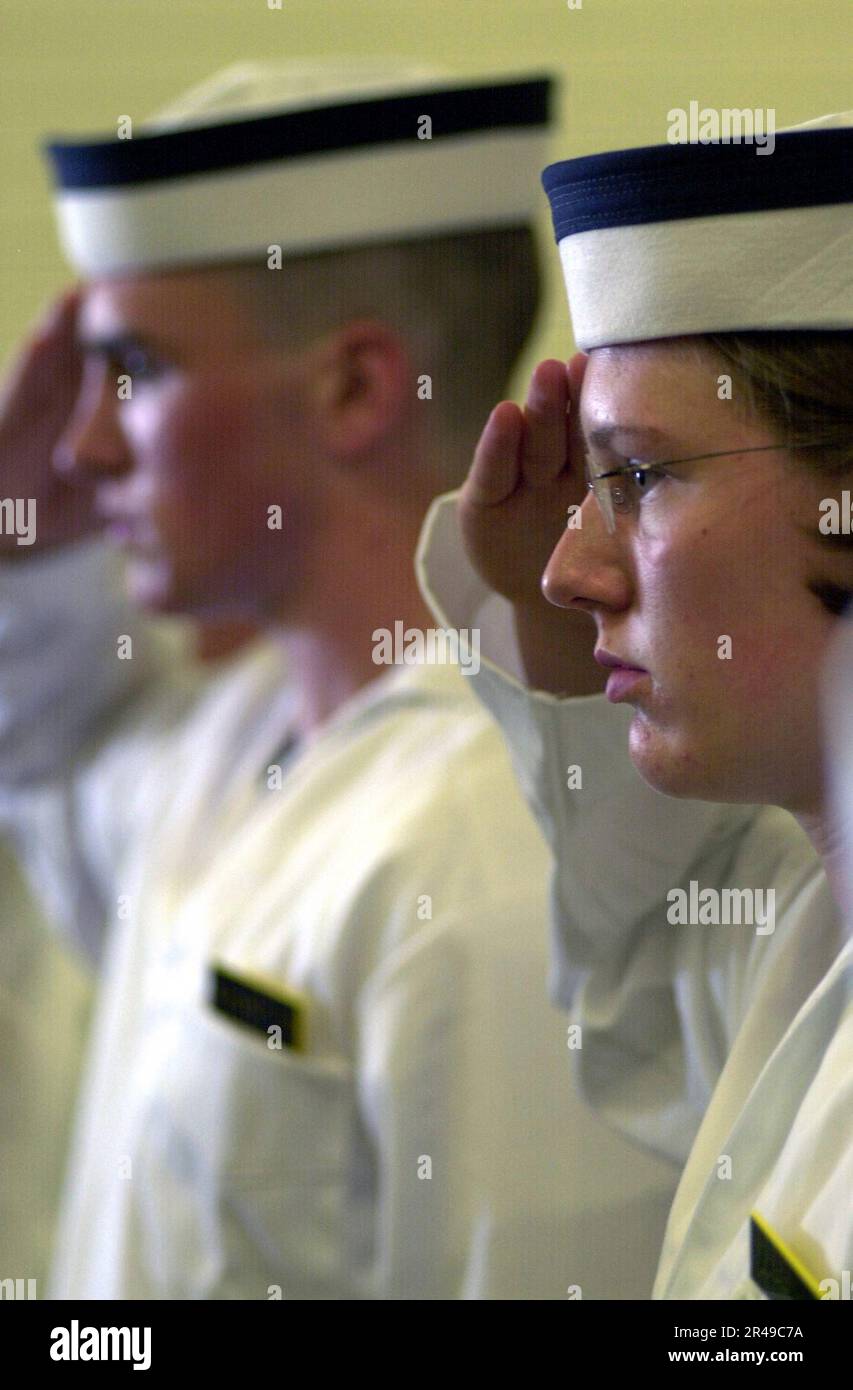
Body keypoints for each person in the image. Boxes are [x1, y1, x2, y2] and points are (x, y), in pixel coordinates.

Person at [0, 62, 690, 1300]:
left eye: (136, 373)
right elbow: (39, 764)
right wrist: (29, 547)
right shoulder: (234, 734)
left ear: (358, 386)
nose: (81, 444)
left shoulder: (498, 839)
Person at [416, 111, 852, 1296]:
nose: (564, 573)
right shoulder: (810, 936)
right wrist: (568, 657)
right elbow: (642, 1007)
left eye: (644, 478)